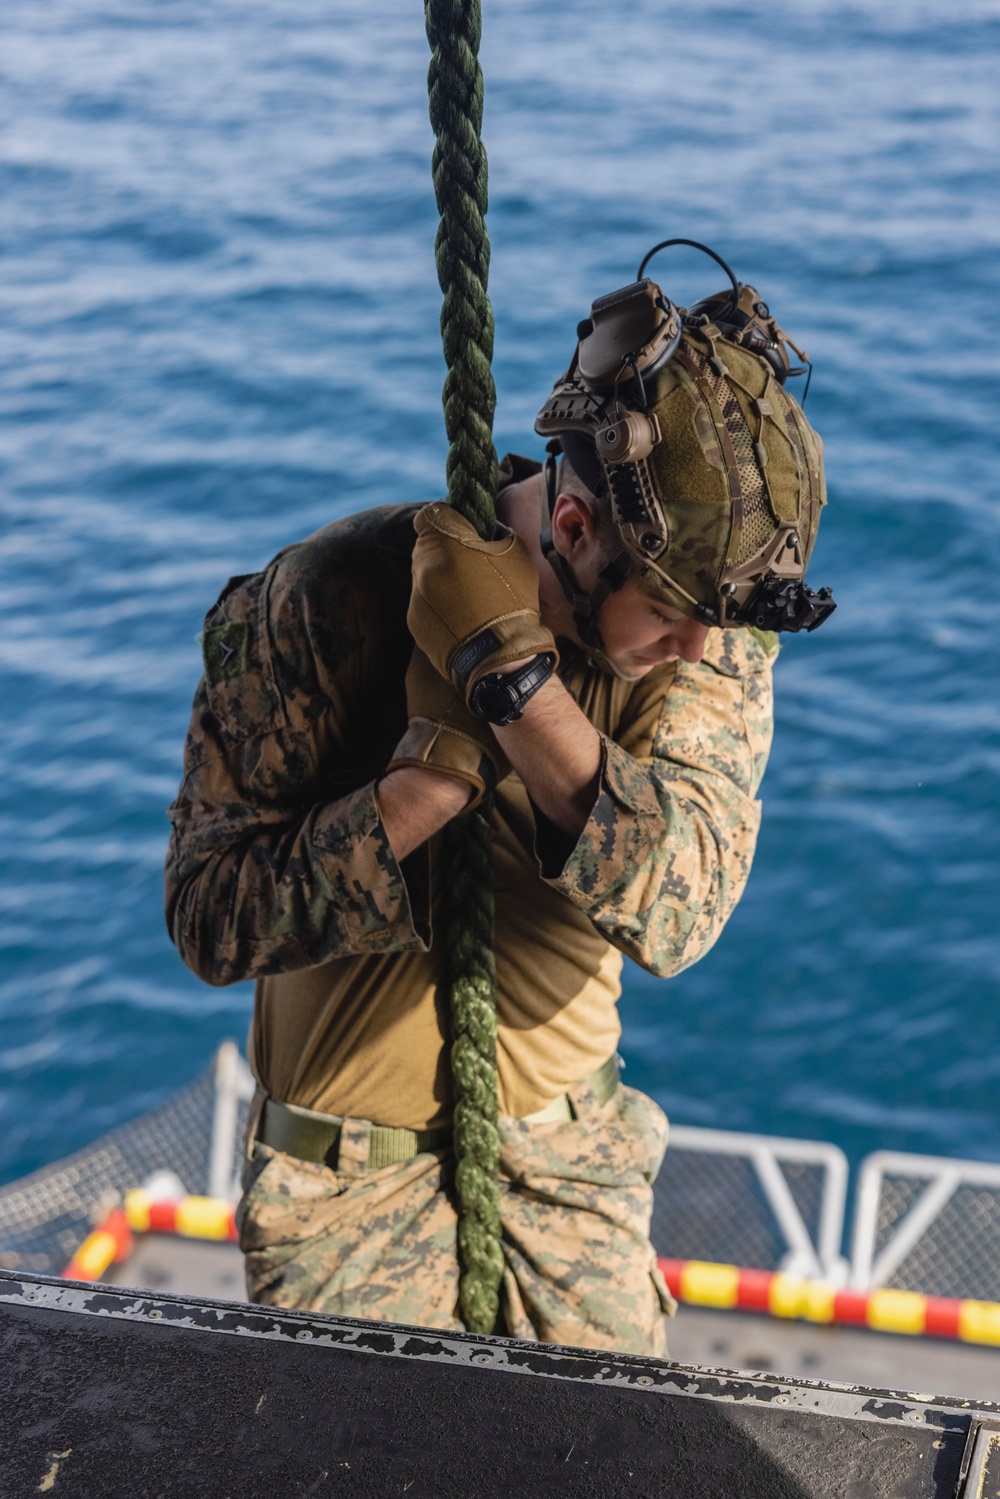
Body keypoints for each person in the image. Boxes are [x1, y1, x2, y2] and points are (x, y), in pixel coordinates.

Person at [164, 250, 832, 1356]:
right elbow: (212, 918)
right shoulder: (326, 600)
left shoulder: (708, 634)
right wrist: (422, 787)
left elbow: (683, 908)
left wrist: (516, 695)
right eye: (672, 617)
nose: (703, 650)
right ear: (573, 529)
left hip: (571, 1172)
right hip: (342, 1197)